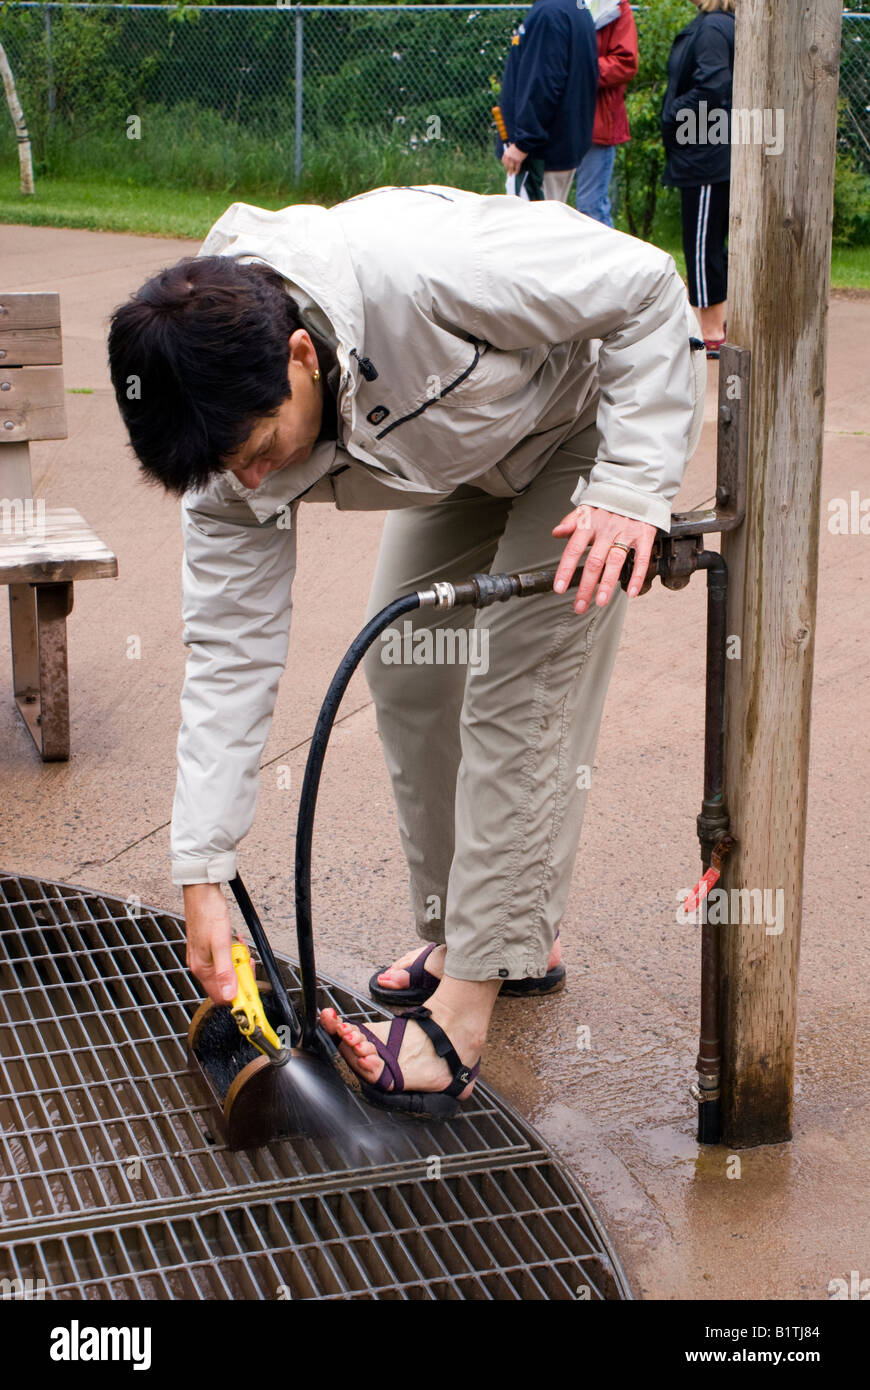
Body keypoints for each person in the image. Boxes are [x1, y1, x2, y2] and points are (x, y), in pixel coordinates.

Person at [108, 185, 706, 1116]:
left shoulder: (423, 271)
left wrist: (632, 483)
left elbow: (645, 286)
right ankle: (486, 935)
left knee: (517, 688)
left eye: (264, 448)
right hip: (464, 451)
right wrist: (202, 868)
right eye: (233, 471)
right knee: (408, 662)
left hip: (581, 427)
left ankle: (462, 1015)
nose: (256, 480)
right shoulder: (224, 440)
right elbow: (228, 652)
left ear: (301, 355)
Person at [660, 0, 736, 358]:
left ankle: (711, 331)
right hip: (712, 150)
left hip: (706, 153)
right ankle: (715, 325)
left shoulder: (711, 29)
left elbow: (713, 86)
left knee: (702, 243)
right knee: (711, 242)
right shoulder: (720, 24)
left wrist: (672, 113)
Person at [496, 0, 598, 202]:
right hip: (560, 147)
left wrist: (524, 143)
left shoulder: (550, 13)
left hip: (540, 156)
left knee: (533, 229)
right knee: (552, 227)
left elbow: (543, 83)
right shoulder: (575, 8)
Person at [574, 0, 639, 228]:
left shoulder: (617, 8)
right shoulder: (566, 5)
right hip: (562, 121)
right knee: (551, 205)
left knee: (590, 208)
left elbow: (626, 62)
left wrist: (579, 69)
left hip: (598, 122)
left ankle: (607, 264)